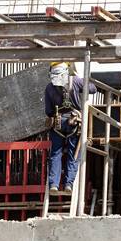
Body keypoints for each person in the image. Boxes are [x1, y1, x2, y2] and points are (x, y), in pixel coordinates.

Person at [44, 63, 95, 193]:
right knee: (73, 155)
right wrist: (81, 79)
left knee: (55, 154)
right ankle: (68, 184)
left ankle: (54, 185)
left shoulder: (49, 88)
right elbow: (93, 88)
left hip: (57, 123)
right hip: (75, 122)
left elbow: (49, 111)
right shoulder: (76, 81)